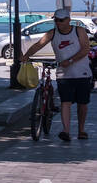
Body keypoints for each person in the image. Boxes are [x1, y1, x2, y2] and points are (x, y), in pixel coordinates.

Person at [22, 7, 92, 141]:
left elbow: (85, 49)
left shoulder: (79, 31)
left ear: (68, 20)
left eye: (61, 20)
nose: (58, 23)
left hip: (82, 73)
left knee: (82, 104)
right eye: (56, 20)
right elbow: (38, 45)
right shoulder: (52, 33)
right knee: (66, 102)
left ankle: (81, 130)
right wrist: (26, 56)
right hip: (64, 75)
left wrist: (70, 60)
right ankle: (66, 131)